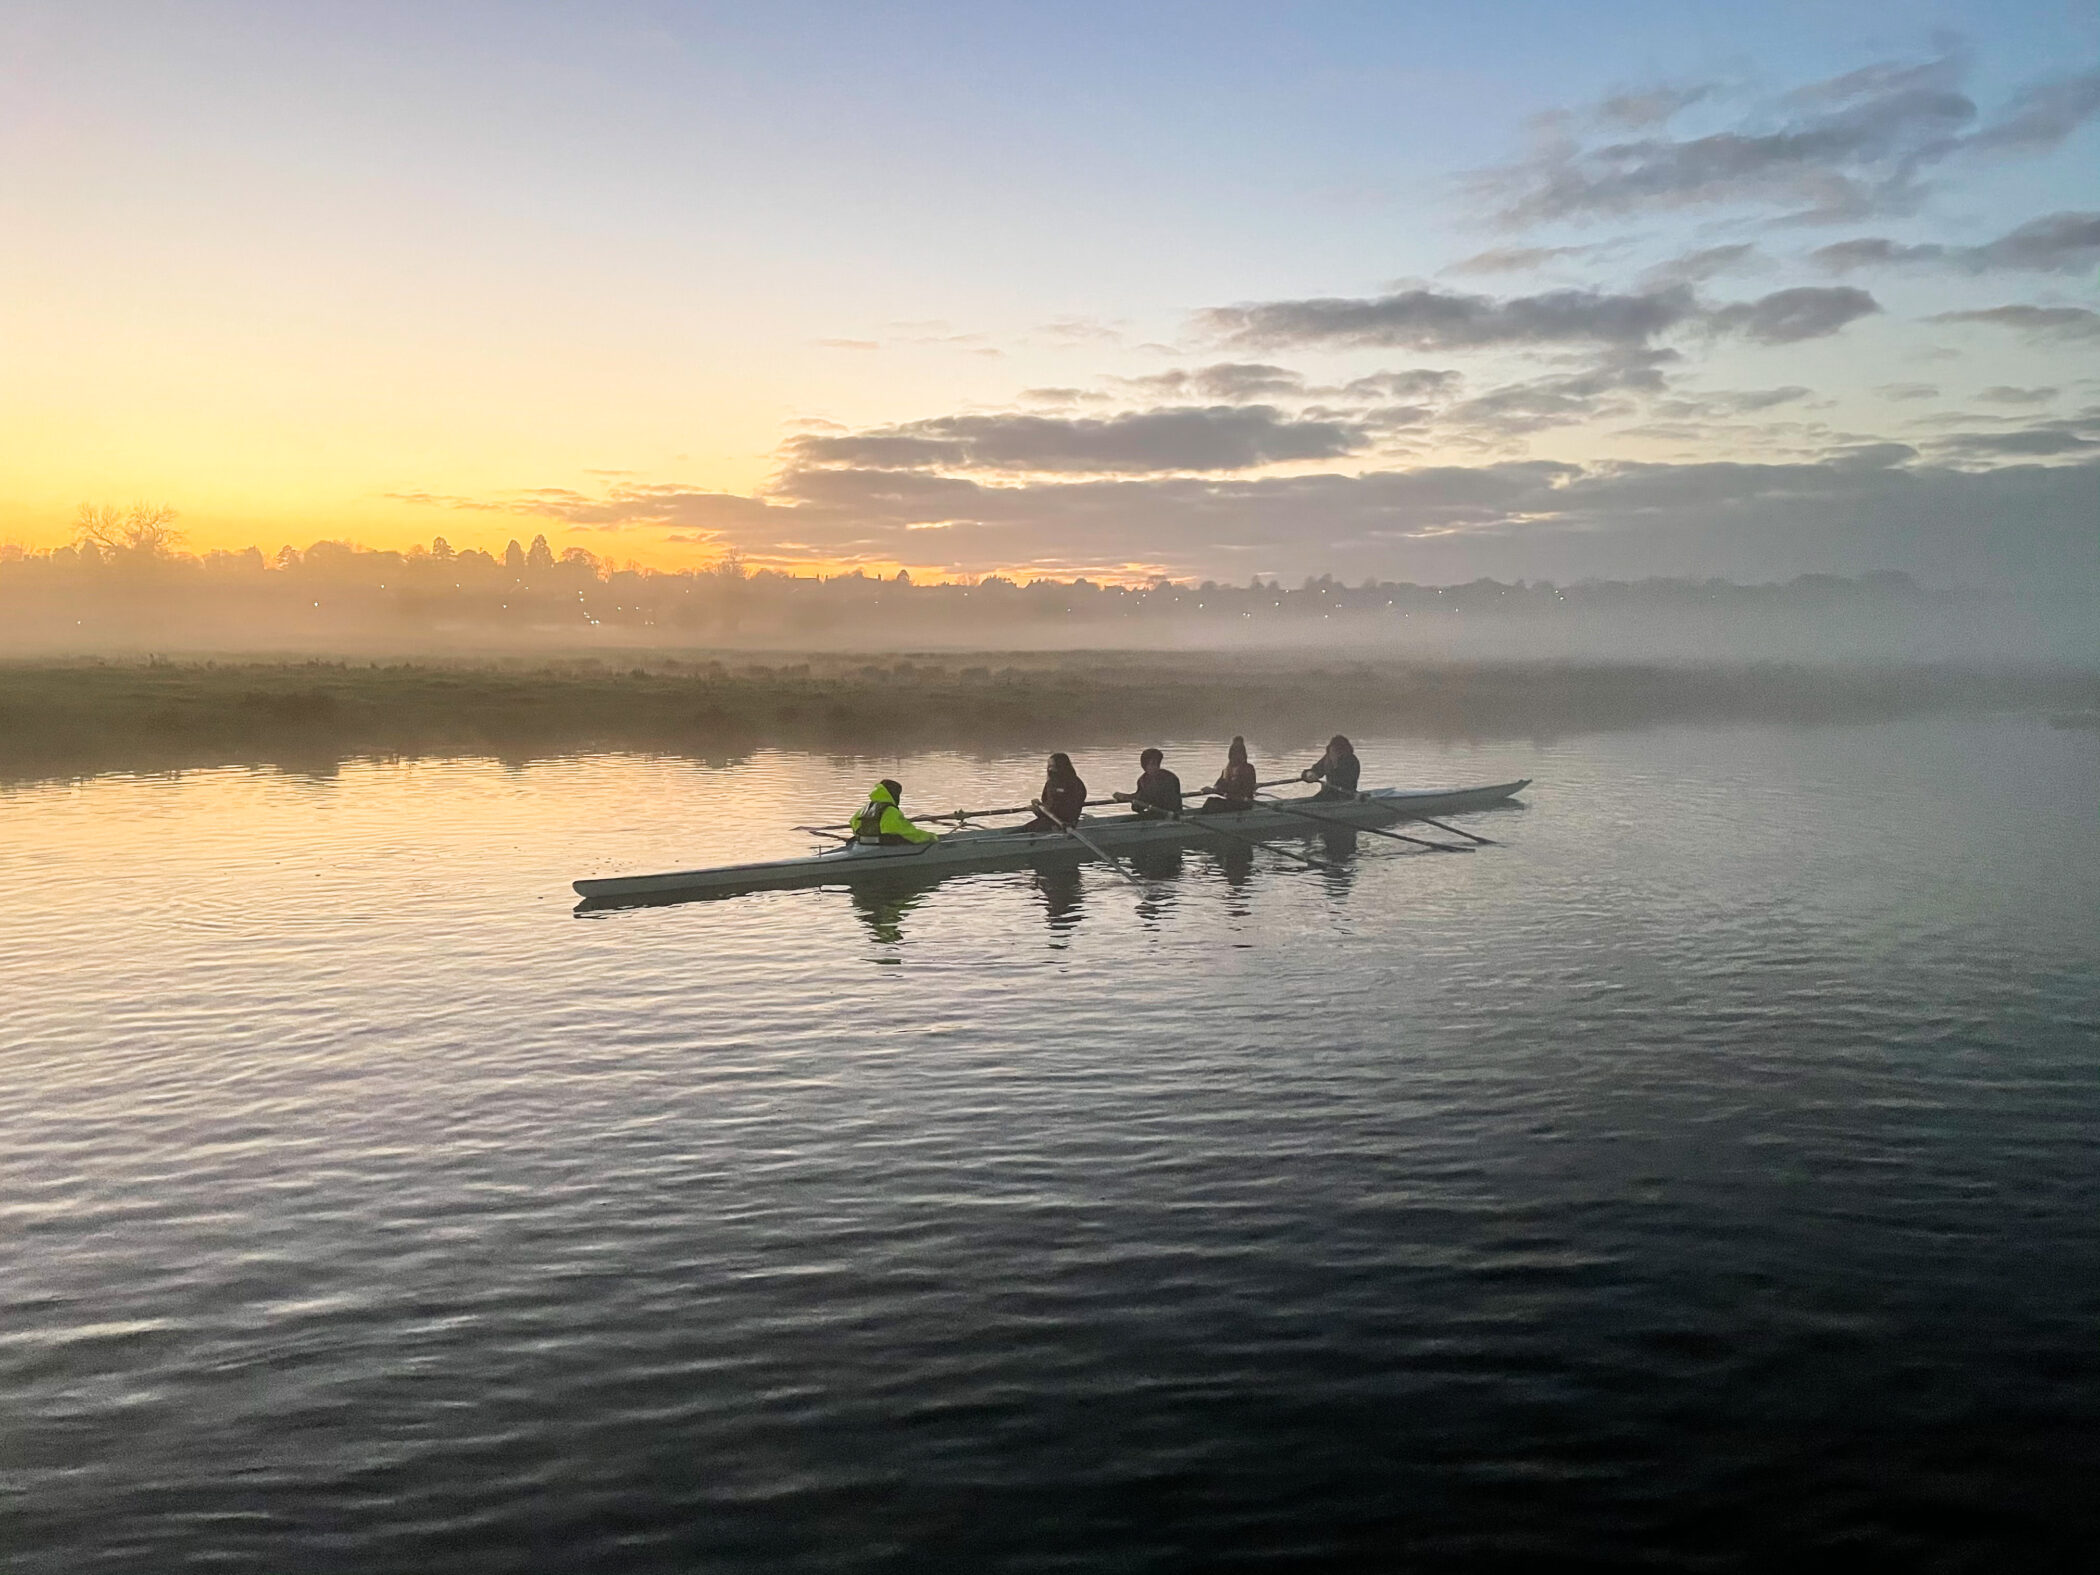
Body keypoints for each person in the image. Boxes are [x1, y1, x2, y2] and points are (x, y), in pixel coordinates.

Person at [849, 779, 936, 845]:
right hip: (886, 851)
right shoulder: (890, 811)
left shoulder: (866, 808)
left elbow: (853, 821)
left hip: (864, 846)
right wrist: (930, 837)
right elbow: (909, 833)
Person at [1021, 752, 1089, 831]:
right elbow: (1047, 804)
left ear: (1062, 766)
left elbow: (1069, 809)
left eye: (1053, 766)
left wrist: (1040, 810)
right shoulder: (1050, 783)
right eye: (1049, 766)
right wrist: (1038, 807)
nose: (1050, 769)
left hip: (1063, 824)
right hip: (1050, 821)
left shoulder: (1075, 783)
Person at [1113, 747, 1183, 817]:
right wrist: (1127, 798)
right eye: (1151, 764)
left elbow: (1148, 797)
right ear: (1144, 765)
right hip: (1155, 814)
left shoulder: (1169, 778)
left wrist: (1126, 797)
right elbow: (1138, 806)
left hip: (1170, 815)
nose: (1155, 767)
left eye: (1156, 764)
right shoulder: (1143, 780)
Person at [1201, 736, 1258, 813]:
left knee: (1212, 804)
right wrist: (1214, 789)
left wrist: (1217, 791)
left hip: (1243, 804)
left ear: (1243, 756)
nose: (1234, 758)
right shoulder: (1227, 770)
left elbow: (1244, 792)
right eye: (1232, 755)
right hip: (1231, 802)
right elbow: (1219, 784)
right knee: (1210, 801)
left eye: (1238, 754)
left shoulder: (1248, 769)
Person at [1301, 734, 1361, 801]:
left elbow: (1348, 782)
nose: (1334, 754)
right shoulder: (1327, 758)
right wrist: (1310, 774)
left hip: (1345, 795)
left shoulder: (1351, 761)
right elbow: (1317, 770)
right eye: (1332, 751)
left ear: (1345, 750)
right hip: (1327, 794)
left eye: (1337, 751)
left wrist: (1335, 767)